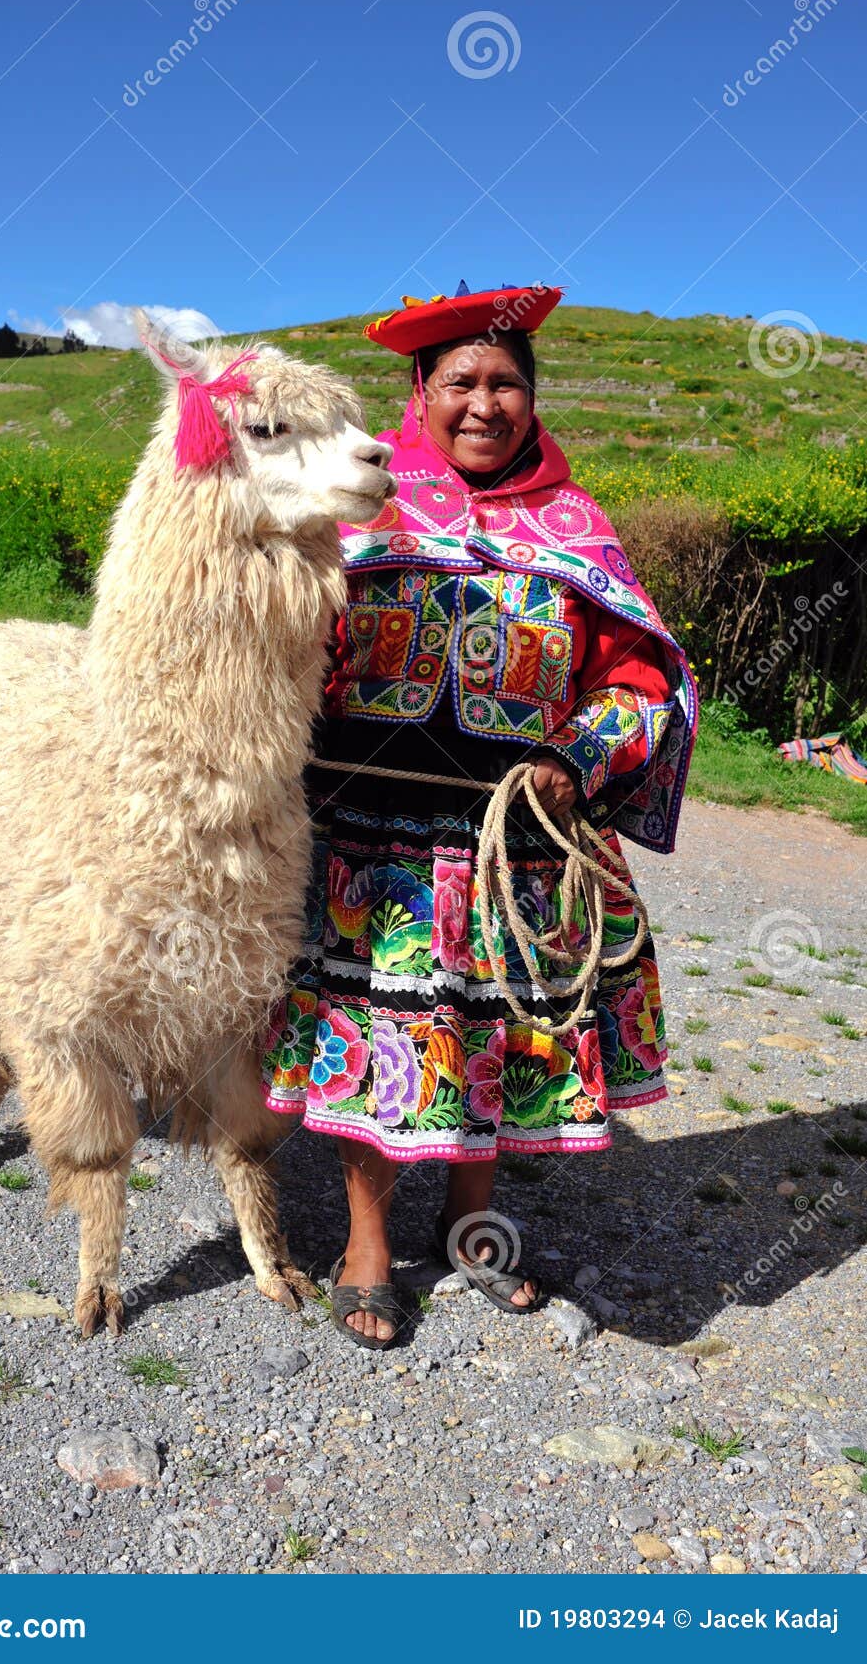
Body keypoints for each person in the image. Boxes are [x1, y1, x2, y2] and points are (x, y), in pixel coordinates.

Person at [259, 282, 698, 1347]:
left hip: (520, 843)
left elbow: (644, 680)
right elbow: (278, 638)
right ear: (421, 391)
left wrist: (576, 753)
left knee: (490, 1032)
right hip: (371, 837)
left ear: (533, 399)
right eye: (461, 381)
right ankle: (366, 1243)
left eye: (506, 384)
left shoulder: (574, 523)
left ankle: (470, 1226)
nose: (485, 404)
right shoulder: (360, 505)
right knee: (378, 1027)